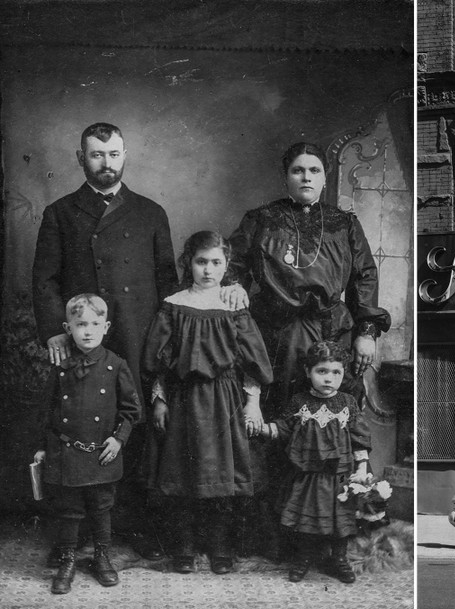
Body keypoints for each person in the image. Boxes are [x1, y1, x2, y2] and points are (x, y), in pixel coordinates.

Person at [32, 122, 178, 560]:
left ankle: (130, 526)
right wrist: (57, 331)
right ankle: (75, 537)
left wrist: (164, 341)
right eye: (96, 155)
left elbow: (166, 282)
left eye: (114, 154)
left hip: (136, 335)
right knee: (80, 424)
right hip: (83, 341)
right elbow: (44, 281)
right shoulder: (60, 213)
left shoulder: (151, 213)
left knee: (135, 423)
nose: (106, 163)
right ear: (81, 159)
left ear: (125, 155)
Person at [141, 231, 274, 574]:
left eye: (216, 262)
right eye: (201, 262)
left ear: (227, 264)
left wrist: (252, 402)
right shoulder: (174, 304)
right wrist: (159, 400)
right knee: (182, 474)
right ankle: (183, 548)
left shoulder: (234, 305)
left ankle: (220, 547)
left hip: (224, 400)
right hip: (183, 399)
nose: (208, 270)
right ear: (189, 263)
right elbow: (158, 361)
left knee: (221, 476)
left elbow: (251, 359)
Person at [228, 141, 391, 410]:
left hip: (331, 332)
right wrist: (234, 286)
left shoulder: (344, 223)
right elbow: (233, 264)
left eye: (315, 171)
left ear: (325, 178)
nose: (306, 177)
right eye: (298, 171)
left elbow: (364, 276)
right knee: (278, 413)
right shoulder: (262, 219)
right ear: (286, 177)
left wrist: (366, 333)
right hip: (276, 333)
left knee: (333, 411)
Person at [33, 294, 142, 594]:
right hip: (66, 449)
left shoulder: (115, 365)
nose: (88, 331)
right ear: (68, 328)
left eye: (95, 324)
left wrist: (119, 439)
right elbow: (47, 408)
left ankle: (101, 556)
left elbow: (132, 410)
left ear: (106, 327)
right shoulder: (61, 365)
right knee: (69, 509)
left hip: (101, 451)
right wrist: (43, 445)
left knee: (101, 507)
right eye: (81, 324)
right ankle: (67, 559)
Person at [259, 341, 372, 584]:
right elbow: (285, 427)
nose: (329, 378)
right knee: (307, 517)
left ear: (343, 373)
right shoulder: (300, 402)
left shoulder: (347, 403)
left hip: (341, 473)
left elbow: (360, 437)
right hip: (308, 472)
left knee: (341, 516)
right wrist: (263, 428)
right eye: (322, 371)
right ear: (308, 371)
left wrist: (361, 468)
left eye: (336, 372)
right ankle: (304, 557)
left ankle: (339, 558)